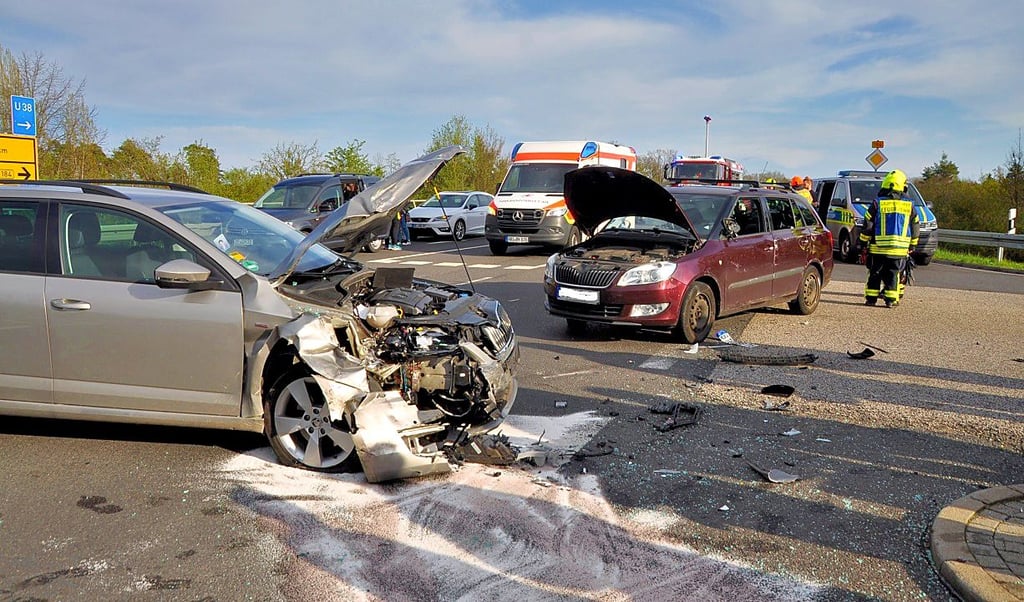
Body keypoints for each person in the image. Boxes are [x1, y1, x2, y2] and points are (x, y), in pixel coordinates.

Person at [858, 169, 920, 308]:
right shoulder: (909, 205)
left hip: (878, 248)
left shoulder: (877, 203)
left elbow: (868, 225)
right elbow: (915, 225)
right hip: (899, 250)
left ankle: (871, 299)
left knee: (875, 273)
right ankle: (891, 300)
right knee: (893, 274)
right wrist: (913, 245)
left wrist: (862, 243)